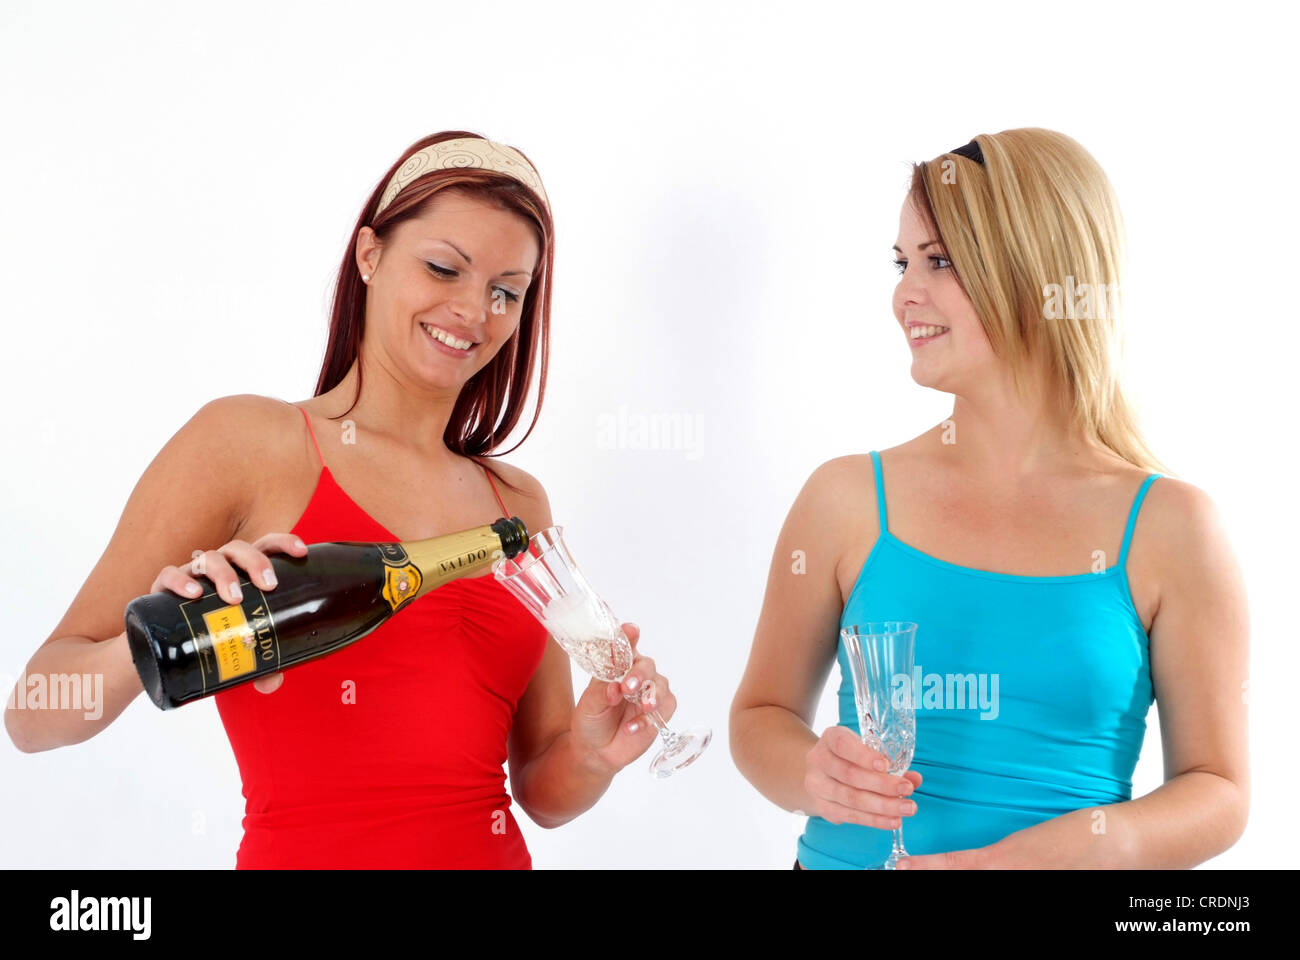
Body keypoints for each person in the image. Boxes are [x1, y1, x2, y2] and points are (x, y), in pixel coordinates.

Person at [6, 131, 678, 869]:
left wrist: (589, 752)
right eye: (443, 267)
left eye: (505, 292)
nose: (472, 311)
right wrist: (173, 637)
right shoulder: (249, 442)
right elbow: (32, 715)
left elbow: (541, 792)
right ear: (369, 255)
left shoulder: (518, 505)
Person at [729, 128, 1249, 870]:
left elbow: (1219, 789)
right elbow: (761, 717)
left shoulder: (1172, 527)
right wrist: (810, 774)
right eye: (902, 261)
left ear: (1038, 272)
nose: (906, 292)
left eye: (939, 261)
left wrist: (1047, 857)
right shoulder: (844, 499)